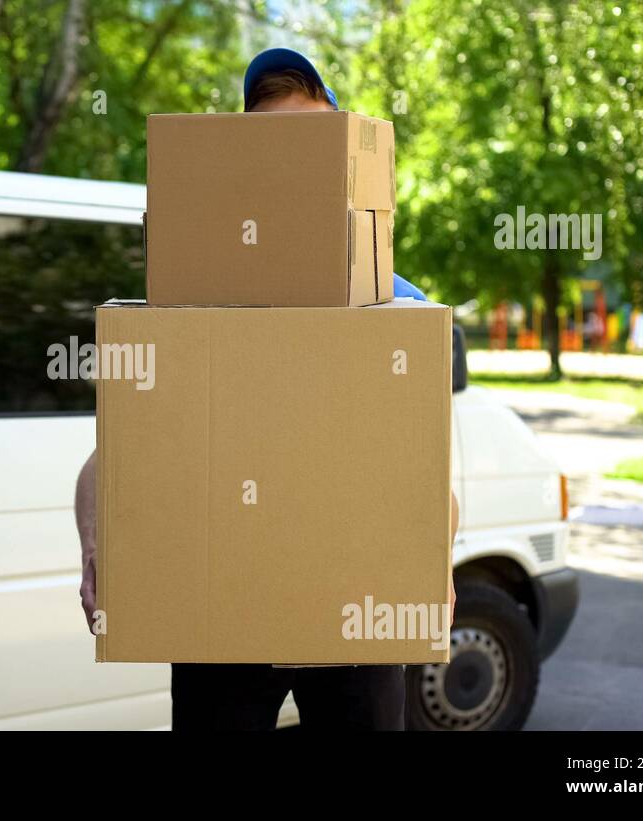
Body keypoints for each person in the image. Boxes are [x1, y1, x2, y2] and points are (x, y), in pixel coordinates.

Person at [75, 47, 459, 731]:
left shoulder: (393, 309)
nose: (291, 159)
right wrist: (96, 544)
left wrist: (438, 566)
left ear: (343, 156)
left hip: (355, 626)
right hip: (221, 625)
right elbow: (111, 458)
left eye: (309, 138)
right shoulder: (195, 303)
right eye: (271, 139)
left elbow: (431, 477)